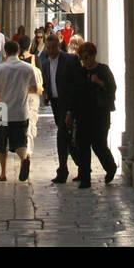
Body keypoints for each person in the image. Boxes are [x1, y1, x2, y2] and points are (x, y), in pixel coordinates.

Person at [67, 41, 117, 188]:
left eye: (87, 57)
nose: (85, 61)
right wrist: (70, 113)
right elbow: (75, 94)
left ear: (93, 55)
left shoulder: (103, 70)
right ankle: (85, 178)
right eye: (82, 58)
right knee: (83, 145)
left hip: (100, 114)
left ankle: (110, 167)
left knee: (99, 144)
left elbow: (112, 89)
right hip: (83, 114)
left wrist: (99, 82)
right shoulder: (80, 73)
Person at [0, 41, 39, 181]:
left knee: (1, 143)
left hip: (1, 108)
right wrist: (22, 90)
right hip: (21, 109)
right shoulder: (28, 68)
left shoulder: (0, 69)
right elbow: (34, 89)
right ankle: (24, 158)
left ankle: (3, 173)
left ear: (5, 52)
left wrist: (3, 89)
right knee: (20, 141)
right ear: (18, 51)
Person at [39, 32, 83, 184]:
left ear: (59, 46)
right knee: (67, 138)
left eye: (53, 48)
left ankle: (63, 170)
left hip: (70, 104)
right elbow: (47, 83)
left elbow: (77, 84)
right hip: (56, 105)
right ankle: (83, 167)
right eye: (48, 48)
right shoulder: (45, 64)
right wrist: (46, 94)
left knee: (62, 135)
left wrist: (71, 110)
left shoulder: (69, 60)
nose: (50, 51)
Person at [19, 38, 44, 158]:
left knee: (23, 121)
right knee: (31, 120)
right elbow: (41, 76)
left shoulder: (17, 60)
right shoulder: (35, 59)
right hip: (33, 94)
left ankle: (25, 146)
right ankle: (28, 148)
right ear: (29, 46)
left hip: (19, 95)